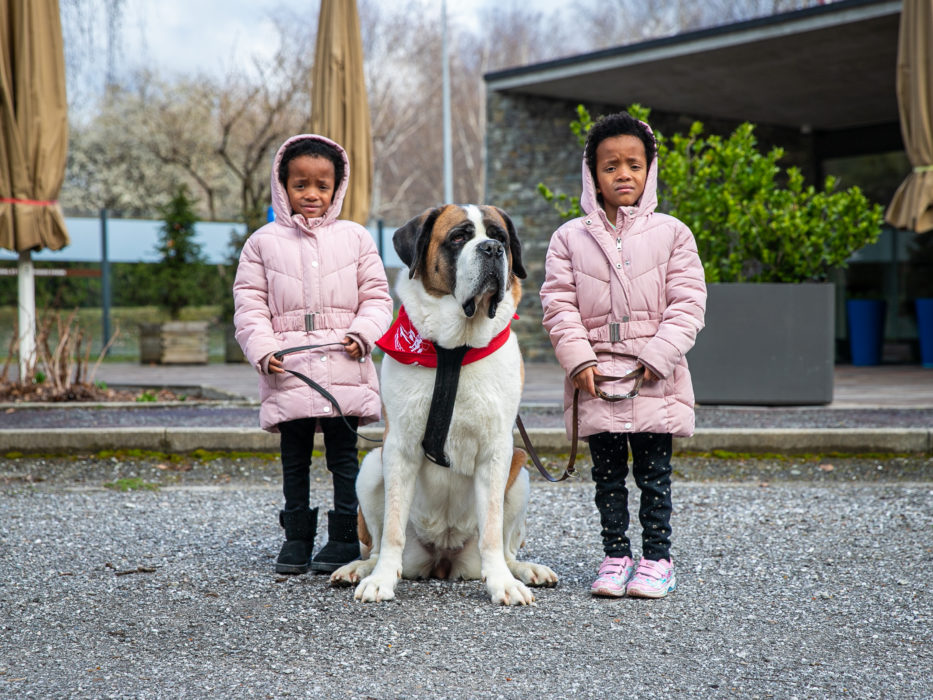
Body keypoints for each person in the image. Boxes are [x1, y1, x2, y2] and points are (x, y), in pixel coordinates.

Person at [539, 112, 706, 598]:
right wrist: (578, 359)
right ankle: (615, 556)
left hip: (655, 374)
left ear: (650, 170)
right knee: (607, 476)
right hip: (597, 376)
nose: (623, 175)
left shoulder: (673, 233)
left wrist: (660, 354)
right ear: (593, 174)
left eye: (634, 164)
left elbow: (689, 302)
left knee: (655, 476)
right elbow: (558, 304)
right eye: (611, 166)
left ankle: (657, 559)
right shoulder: (568, 238)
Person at [234, 134, 393, 575]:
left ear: (336, 188)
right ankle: (296, 538)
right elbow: (250, 305)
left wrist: (363, 333)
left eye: (322, 185)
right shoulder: (262, 243)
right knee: (294, 457)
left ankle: (343, 537)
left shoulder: (356, 238)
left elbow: (378, 299)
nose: (311, 194)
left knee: (344, 457)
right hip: (289, 367)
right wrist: (263, 349)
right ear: (283, 186)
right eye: (300, 184)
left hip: (343, 363)